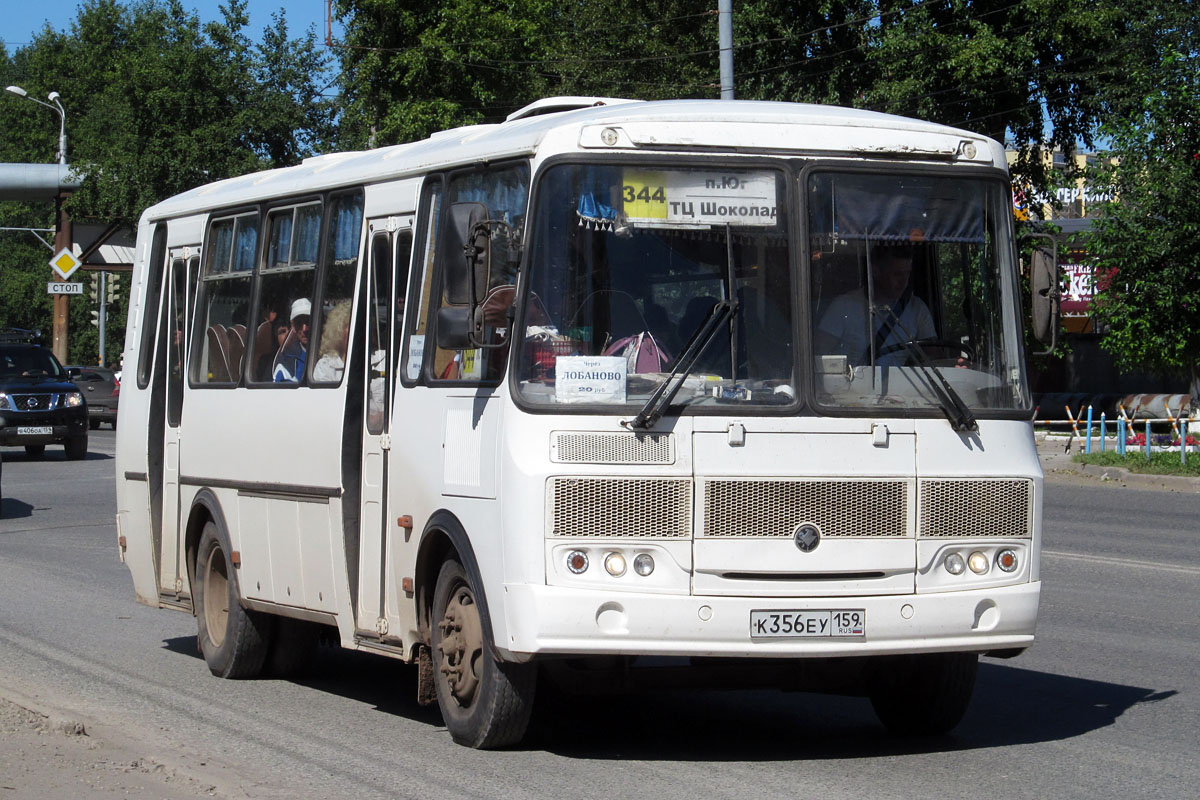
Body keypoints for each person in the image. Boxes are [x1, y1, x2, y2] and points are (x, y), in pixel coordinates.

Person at [816, 243, 934, 366]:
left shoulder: (917, 309)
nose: (903, 282)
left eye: (907, 274)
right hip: (852, 384)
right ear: (876, 272)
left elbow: (934, 359)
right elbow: (818, 357)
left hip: (900, 384)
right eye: (897, 274)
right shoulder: (843, 307)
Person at [272, 298, 311, 382]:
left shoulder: (331, 353)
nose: (304, 329)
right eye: (299, 323)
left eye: (308, 322)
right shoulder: (286, 360)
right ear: (293, 327)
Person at [313, 299, 352, 382]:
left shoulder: (379, 361)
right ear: (338, 330)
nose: (357, 331)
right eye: (350, 326)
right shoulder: (326, 366)